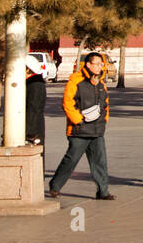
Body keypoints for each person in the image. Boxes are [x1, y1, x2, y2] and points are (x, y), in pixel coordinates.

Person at [48, 52, 115, 201]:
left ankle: (103, 191)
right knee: (71, 160)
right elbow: (67, 103)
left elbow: (105, 105)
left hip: (97, 130)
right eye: (97, 64)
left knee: (100, 162)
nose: (100, 67)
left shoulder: (101, 84)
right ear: (88, 65)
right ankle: (55, 185)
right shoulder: (75, 81)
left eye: (101, 64)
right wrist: (78, 120)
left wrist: (104, 120)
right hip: (79, 130)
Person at [24, 55, 47, 149]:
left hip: (33, 131)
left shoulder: (36, 85)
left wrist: (28, 132)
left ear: (27, 69)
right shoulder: (29, 83)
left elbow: (34, 109)